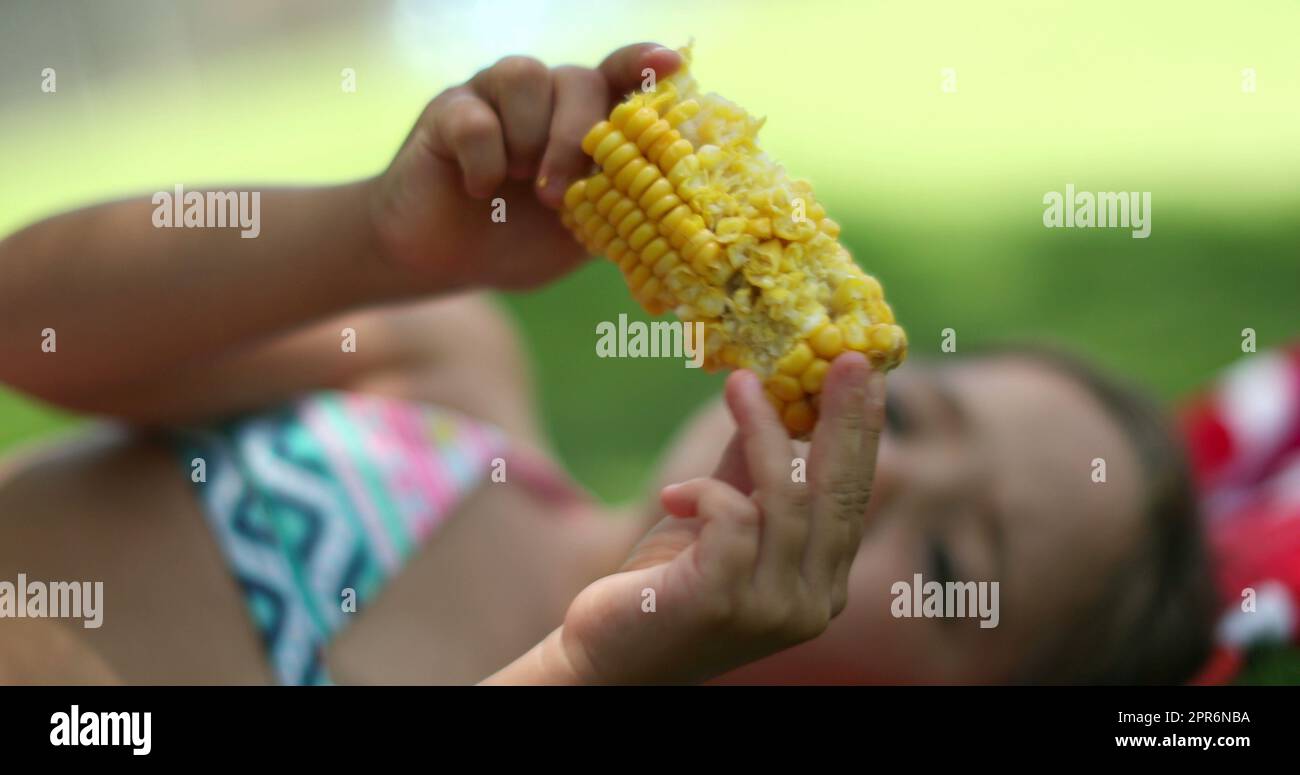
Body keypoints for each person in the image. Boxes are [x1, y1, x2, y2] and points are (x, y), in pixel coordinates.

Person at [0, 43, 1216, 685]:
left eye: (951, 561)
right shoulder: (440, 370)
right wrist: (375, 243)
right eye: (915, 411)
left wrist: (585, 669)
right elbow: (24, 325)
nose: (879, 469)